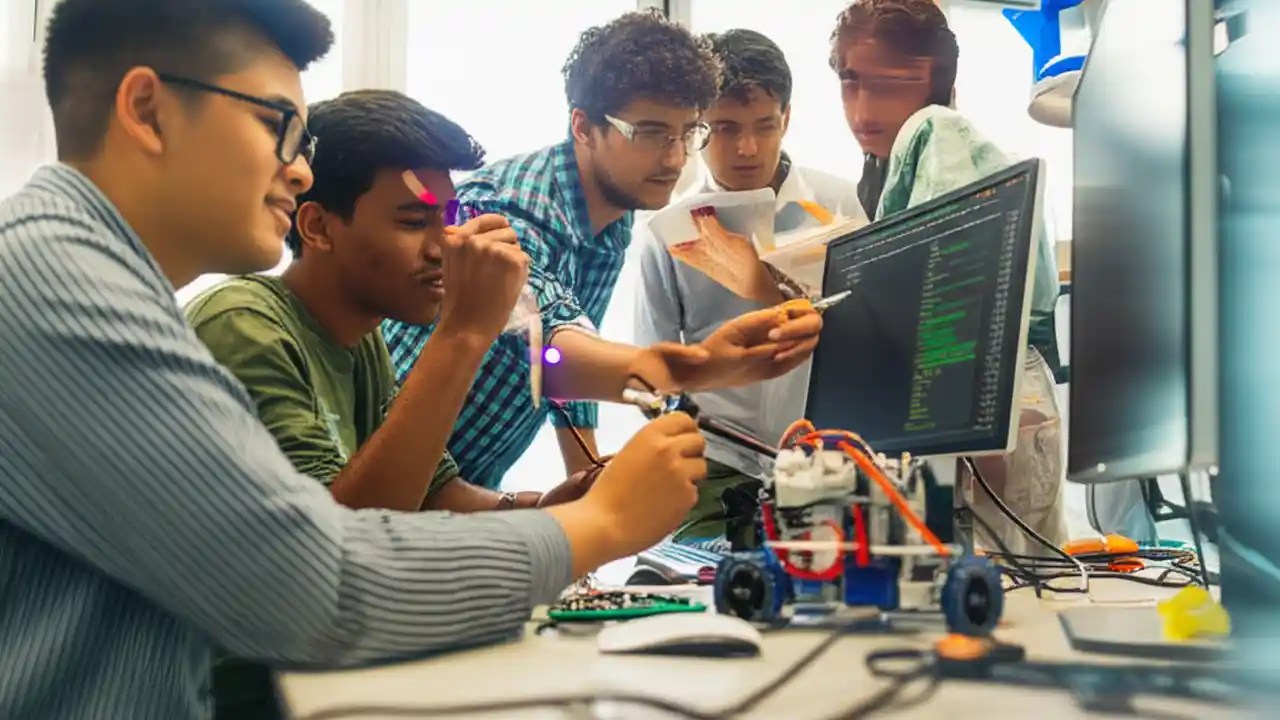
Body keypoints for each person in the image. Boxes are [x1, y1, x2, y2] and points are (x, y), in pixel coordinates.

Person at [0, 1, 714, 717]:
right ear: (148, 110)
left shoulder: (99, 280)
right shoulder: (55, 282)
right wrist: (600, 525)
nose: (302, 172)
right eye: (276, 125)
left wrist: (534, 508)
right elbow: (305, 586)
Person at [185, 90, 605, 719]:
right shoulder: (243, 325)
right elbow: (335, 555)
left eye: (450, 217)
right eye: (414, 222)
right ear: (318, 227)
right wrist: (462, 334)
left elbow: (433, 493)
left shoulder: (362, 340)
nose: (445, 247)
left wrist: (541, 506)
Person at [383, 10, 824, 491]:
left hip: (458, 489)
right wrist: (701, 364)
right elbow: (551, 350)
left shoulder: (613, 215)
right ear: (583, 127)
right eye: (651, 133)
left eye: (688, 133)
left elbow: (575, 359)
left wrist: (585, 474)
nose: (675, 158)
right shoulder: (511, 209)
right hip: (371, 474)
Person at [830, 0, 1067, 552]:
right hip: (971, 398)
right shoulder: (895, 161)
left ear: (935, 83)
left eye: (888, 85)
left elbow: (951, 281)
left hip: (986, 397)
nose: (863, 109)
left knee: (1009, 593)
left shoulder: (937, 128)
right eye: (851, 84)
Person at [634, 29, 866, 549]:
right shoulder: (668, 231)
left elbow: (876, 338)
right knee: (701, 593)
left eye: (764, 126)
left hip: (828, 459)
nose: (747, 147)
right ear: (698, 127)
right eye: (725, 128)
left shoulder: (843, 205)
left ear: (787, 118)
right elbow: (648, 372)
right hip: (714, 468)